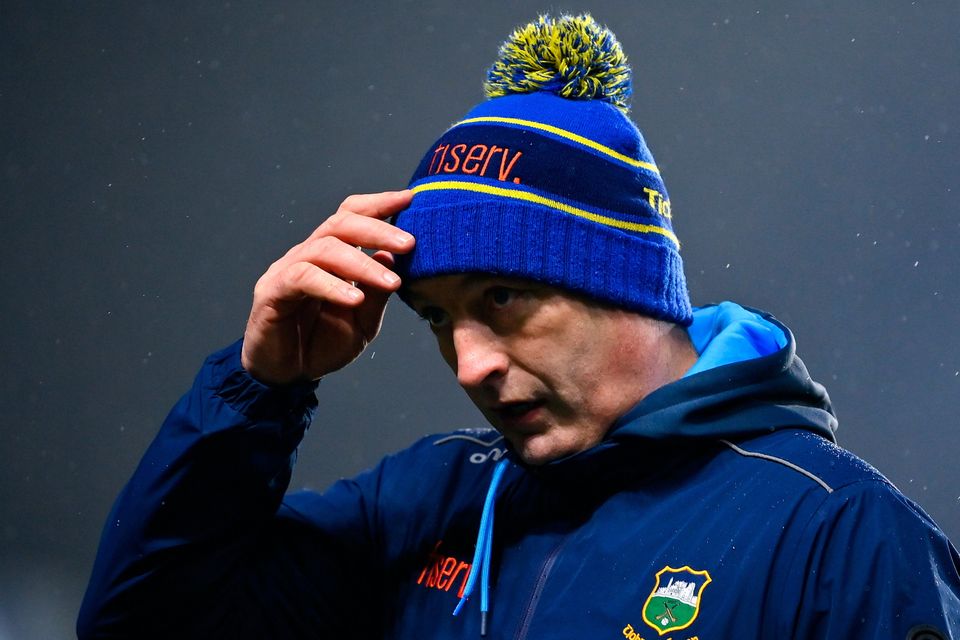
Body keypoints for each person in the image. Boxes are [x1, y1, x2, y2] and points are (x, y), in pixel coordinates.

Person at [78, 14, 959, 639]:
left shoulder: (842, 536)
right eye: (435, 318)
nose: (468, 365)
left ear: (627, 281)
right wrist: (258, 393)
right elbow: (140, 623)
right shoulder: (427, 503)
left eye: (500, 300)